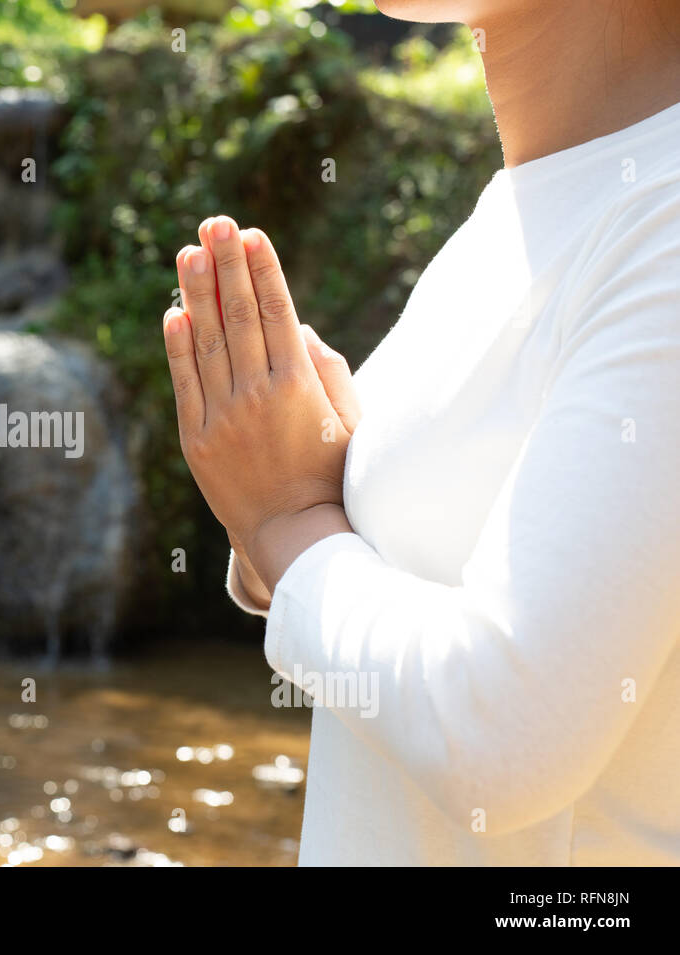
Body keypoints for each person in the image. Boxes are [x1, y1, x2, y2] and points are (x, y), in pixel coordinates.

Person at [161, 0, 680, 864]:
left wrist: (285, 525)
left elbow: (509, 735)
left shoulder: (662, 223)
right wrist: (290, 497)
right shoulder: (536, 197)